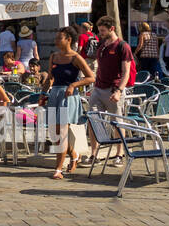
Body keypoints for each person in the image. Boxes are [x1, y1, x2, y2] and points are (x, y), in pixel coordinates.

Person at [44, 26, 93, 179]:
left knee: (62, 132)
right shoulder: (53, 56)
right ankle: (74, 154)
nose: (56, 41)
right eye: (56, 38)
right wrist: (42, 94)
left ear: (69, 40)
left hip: (68, 97)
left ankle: (58, 169)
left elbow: (91, 77)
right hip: (54, 95)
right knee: (55, 132)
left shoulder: (76, 57)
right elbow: (50, 78)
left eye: (60, 38)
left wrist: (73, 85)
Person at [83, 15, 132, 164]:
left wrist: (119, 90)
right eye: (99, 30)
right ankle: (94, 153)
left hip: (113, 89)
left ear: (112, 29)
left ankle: (119, 154)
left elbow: (126, 72)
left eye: (103, 30)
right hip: (98, 88)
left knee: (117, 121)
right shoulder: (102, 44)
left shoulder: (123, 46)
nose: (100, 33)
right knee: (93, 120)